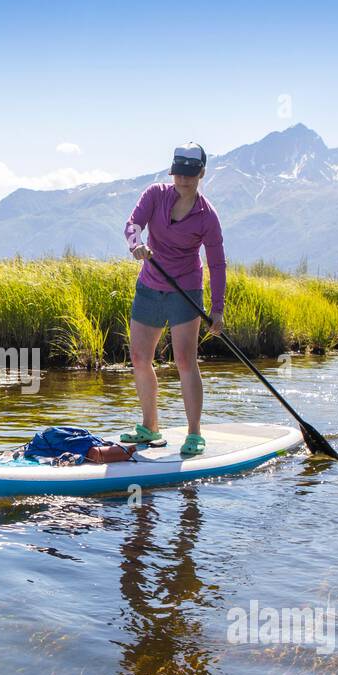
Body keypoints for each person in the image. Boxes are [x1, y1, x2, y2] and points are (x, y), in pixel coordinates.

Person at [122, 142, 226, 457]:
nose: (183, 179)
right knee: (140, 358)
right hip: (150, 285)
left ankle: (194, 434)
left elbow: (217, 263)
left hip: (186, 291)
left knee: (184, 360)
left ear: (201, 174)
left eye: (190, 174)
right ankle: (150, 427)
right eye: (179, 172)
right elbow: (132, 226)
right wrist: (136, 244)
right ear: (172, 172)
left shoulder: (207, 216)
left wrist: (217, 309)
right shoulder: (155, 195)